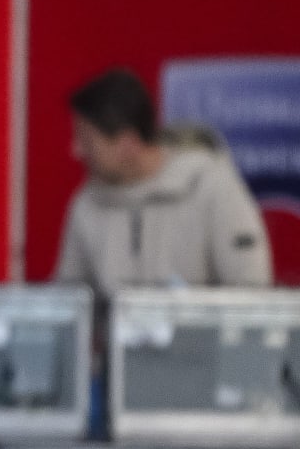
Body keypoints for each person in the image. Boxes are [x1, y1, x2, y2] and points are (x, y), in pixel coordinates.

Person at [53, 68, 271, 296]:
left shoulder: (212, 187)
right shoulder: (86, 203)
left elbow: (250, 292)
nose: (76, 150)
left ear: (129, 143)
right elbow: (69, 299)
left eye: (87, 140)